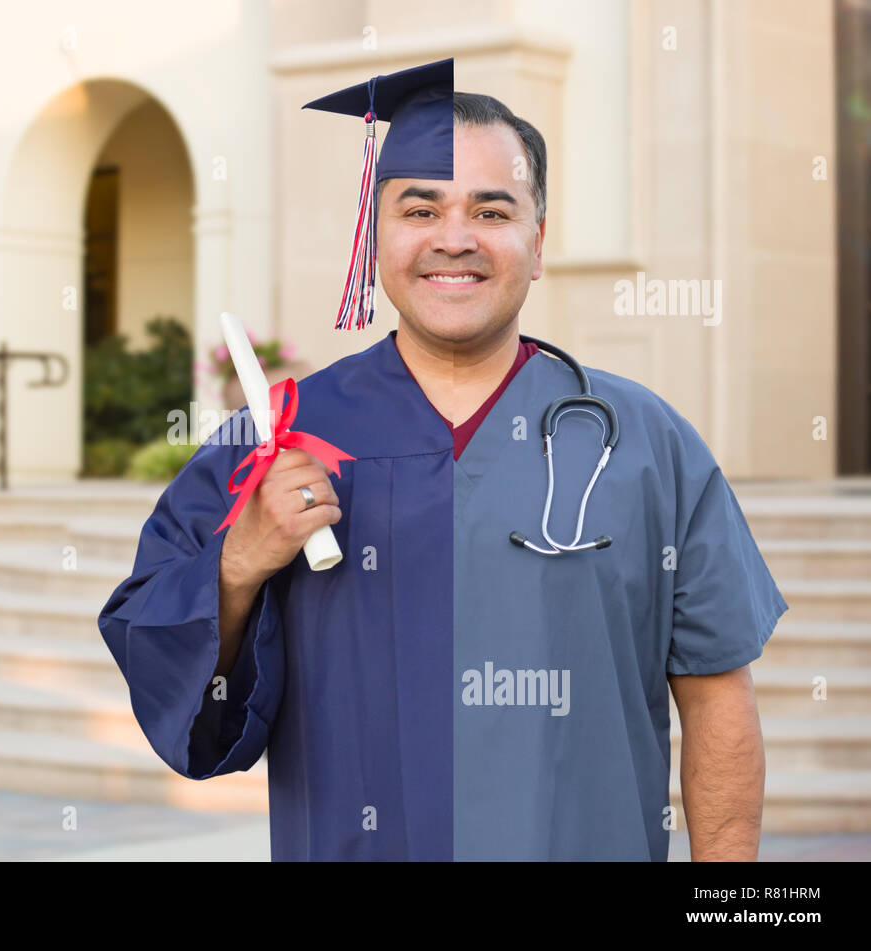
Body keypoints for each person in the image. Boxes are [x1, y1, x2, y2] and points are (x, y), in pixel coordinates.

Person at [97, 58, 788, 861]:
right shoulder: (277, 439)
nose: (454, 238)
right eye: (420, 208)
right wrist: (239, 562)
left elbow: (717, 699)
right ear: (377, 235)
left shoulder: (646, 441)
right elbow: (155, 652)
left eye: (492, 211)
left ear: (537, 242)